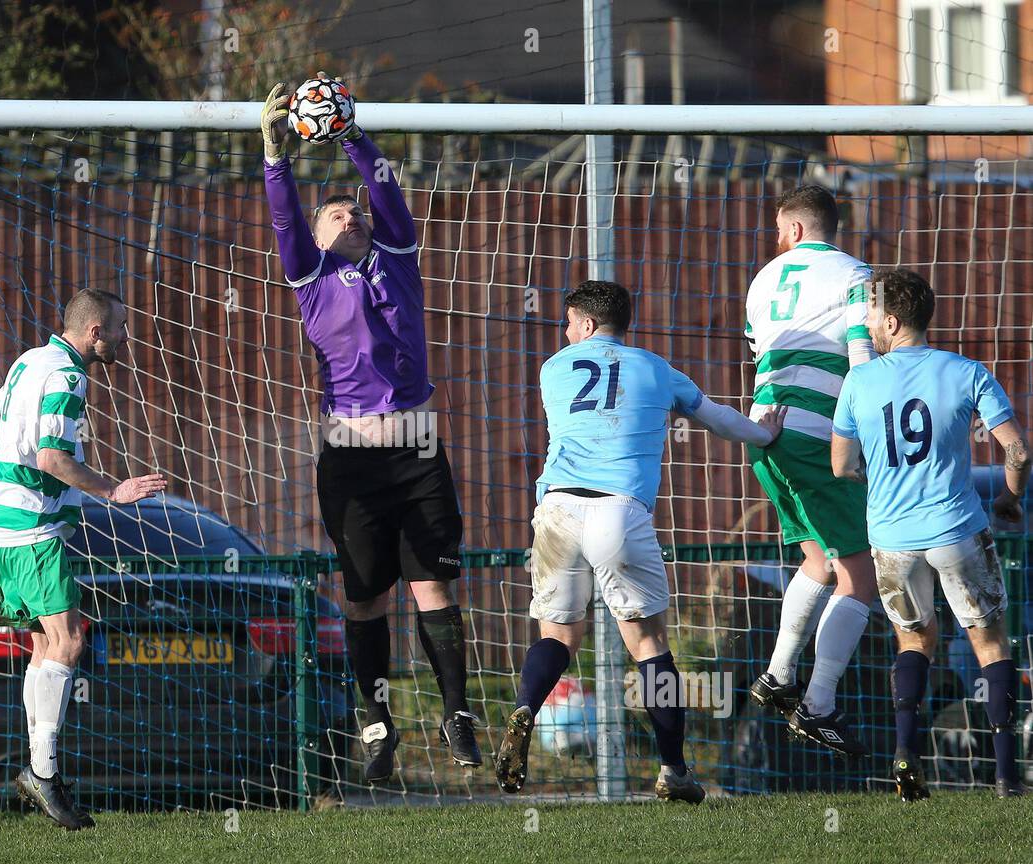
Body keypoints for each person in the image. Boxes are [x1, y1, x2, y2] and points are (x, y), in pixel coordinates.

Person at [260, 75, 479, 783]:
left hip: (417, 449)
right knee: (363, 594)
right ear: (320, 242)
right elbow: (287, 222)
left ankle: (456, 716)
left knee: (435, 590)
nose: (348, 217)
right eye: (335, 217)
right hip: (352, 458)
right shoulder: (312, 278)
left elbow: (383, 189)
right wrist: (275, 158)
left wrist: (353, 136)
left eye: (353, 213)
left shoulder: (399, 259)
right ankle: (377, 723)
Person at [494, 280, 785, 802]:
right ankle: (673, 770)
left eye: (568, 323)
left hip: (558, 508)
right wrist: (764, 433)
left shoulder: (554, 368)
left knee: (557, 639)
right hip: (619, 511)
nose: (565, 332)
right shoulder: (655, 369)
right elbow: (716, 419)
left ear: (584, 325)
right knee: (648, 645)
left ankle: (524, 708)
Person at [831, 268, 1029, 800]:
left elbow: (842, 466)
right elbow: (1018, 450)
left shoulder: (859, 381)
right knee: (989, 644)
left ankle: (904, 754)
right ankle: (1008, 775)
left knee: (914, 641)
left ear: (892, 322)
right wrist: (1009, 498)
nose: (867, 323)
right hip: (957, 528)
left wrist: (882, 479)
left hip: (892, 537)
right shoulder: (966, 371)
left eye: (871, 313)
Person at [0, 288, 167, 829]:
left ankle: (39, 768)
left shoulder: (28, 360)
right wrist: (112, 490)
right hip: (32, 532)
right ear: (94, 334)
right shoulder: (69, 378)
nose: (126, 338)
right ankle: (44, 772)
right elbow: (53, 457)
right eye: (121, 329)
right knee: (71, 640)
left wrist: (9, 434)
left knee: (43, 645)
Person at [744, 184, 878, 756]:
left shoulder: (762, 280)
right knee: (860, 572)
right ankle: (818, 706)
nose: (776, 238)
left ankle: (776, 676)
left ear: (795, 229)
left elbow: (757, 353)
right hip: (820, 432)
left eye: (779, 228)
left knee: (818, 559)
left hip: (764, 430)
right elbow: (861, 352)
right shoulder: (855, 273)